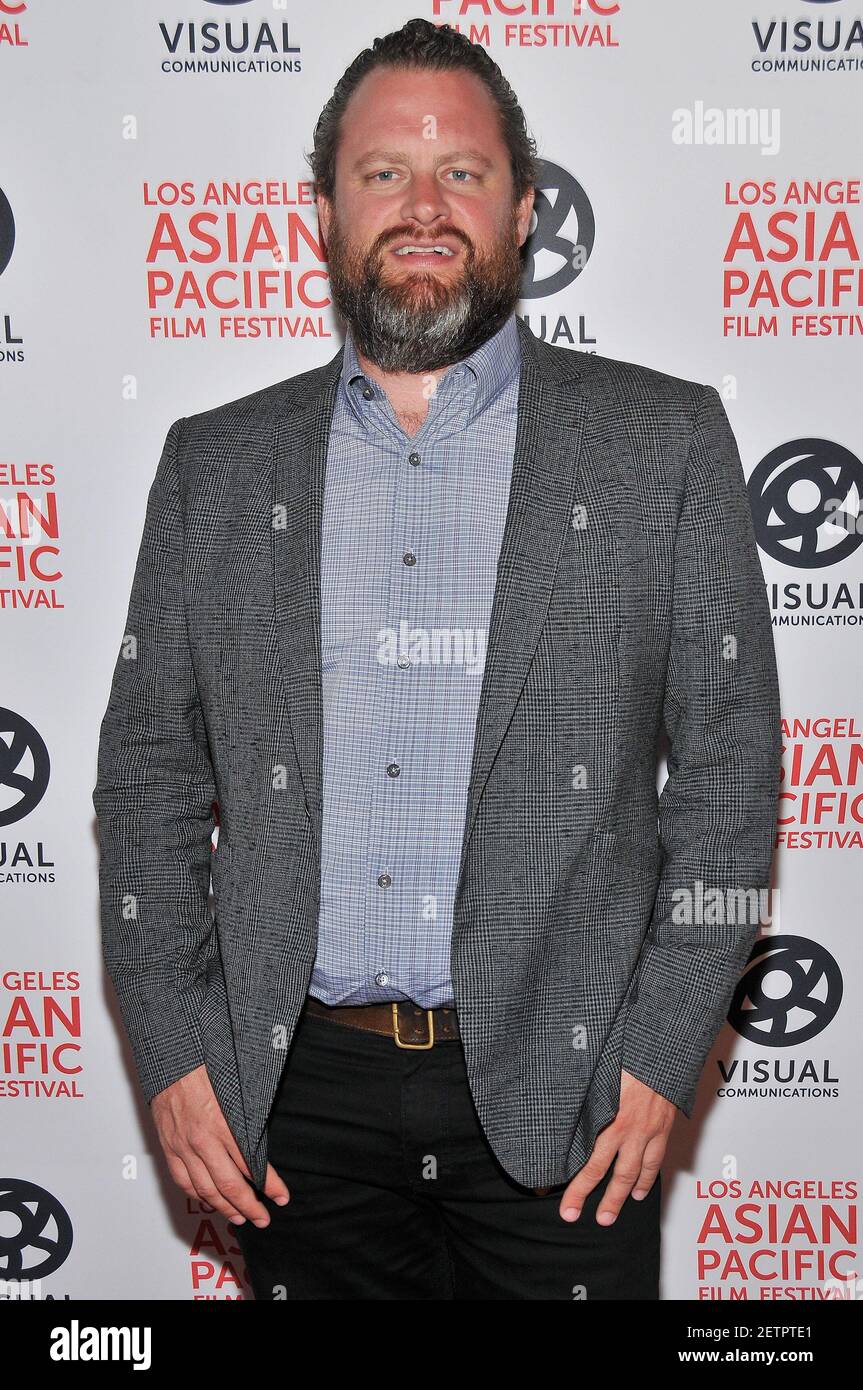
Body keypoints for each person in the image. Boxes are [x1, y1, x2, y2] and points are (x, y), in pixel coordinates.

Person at [92, 18, 781, 1300]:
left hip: (566, 1096)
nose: (422, 207)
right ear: (323, 213)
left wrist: (659, 1043)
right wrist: (179, 1052)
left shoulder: (662, 444)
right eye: (381, 175)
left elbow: (733, 782)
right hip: (296, 1109)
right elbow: (143, 784)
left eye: (460, 173)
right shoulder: (215, 466)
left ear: (522, 209)